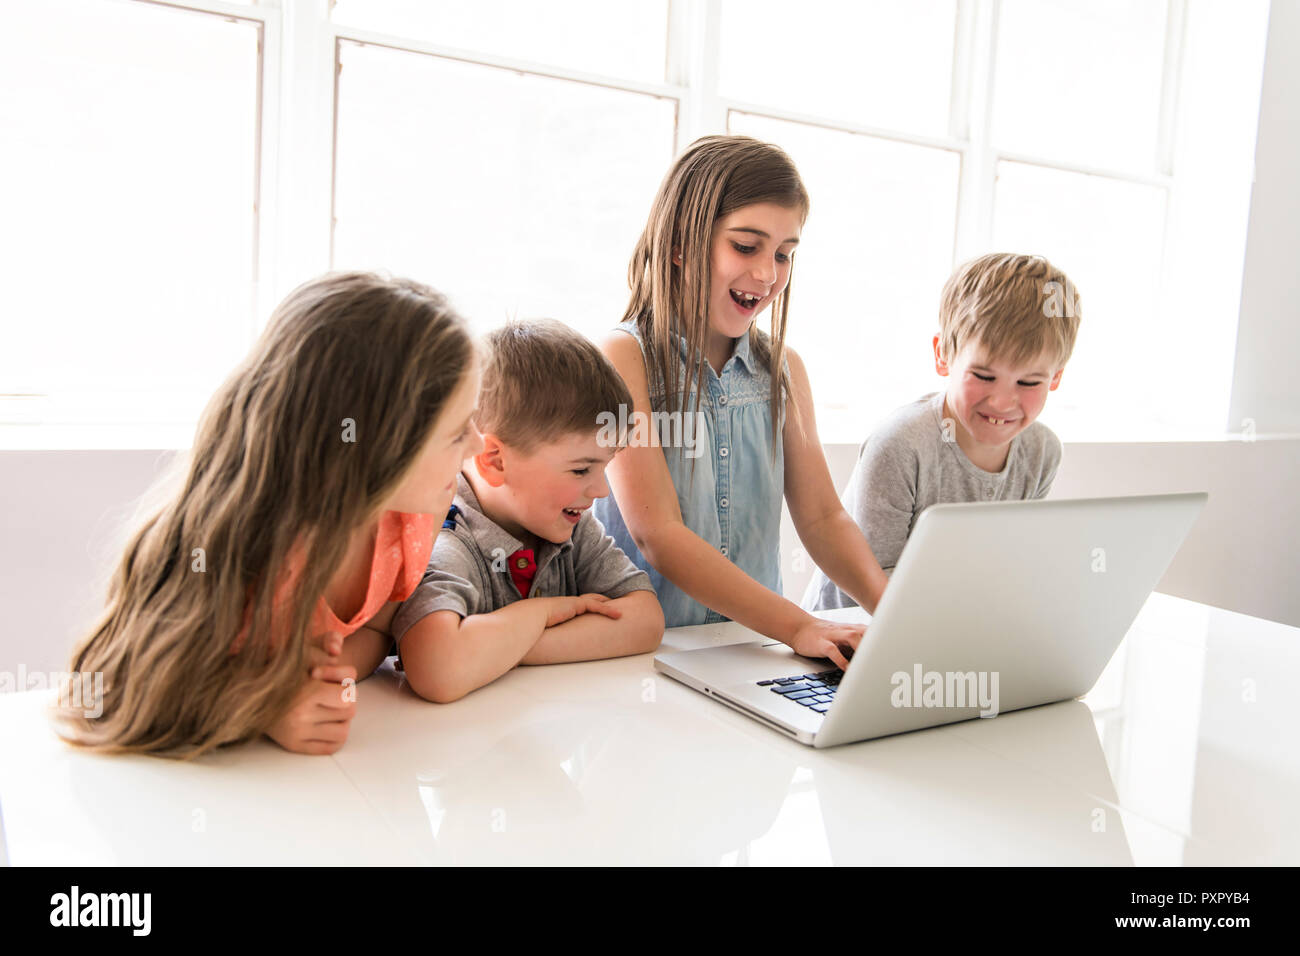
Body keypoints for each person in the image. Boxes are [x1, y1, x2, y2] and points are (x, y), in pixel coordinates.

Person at [52, 272, 480, 756]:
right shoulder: (232, 545)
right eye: (457, 433)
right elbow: (103, 688)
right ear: (377, 449)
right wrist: (265, 708)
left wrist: (324, 681)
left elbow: (376, 629)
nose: (479, 445)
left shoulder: (407, 521)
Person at [593, 135, 887, 671]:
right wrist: (800, 624)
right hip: (641, 659)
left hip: (753, 655)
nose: (768, 274)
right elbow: (657, 533)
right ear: (681, 244)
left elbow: (822, 518)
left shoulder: (785, 371)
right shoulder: (623, 357)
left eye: (784, 254)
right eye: (746, 246)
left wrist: (895, 616)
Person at [391, 320, 664, 703]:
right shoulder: (446, 535)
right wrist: (542, 613)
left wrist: (502, 650)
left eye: (606, 465)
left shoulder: (572, 525)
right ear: (495, 461)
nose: (601, 490)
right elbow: (438, 670)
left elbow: (645, 622)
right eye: (581, 469)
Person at [803, 252, 1082, 610]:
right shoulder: (902, 445)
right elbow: (872, 579)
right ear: (943, 355)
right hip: (851, 634)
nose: (1002, 402)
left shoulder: (1043, 451)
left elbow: (1010, 563)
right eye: (983, 376)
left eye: (1029, 381)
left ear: (1056, 377)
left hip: (953, 631)